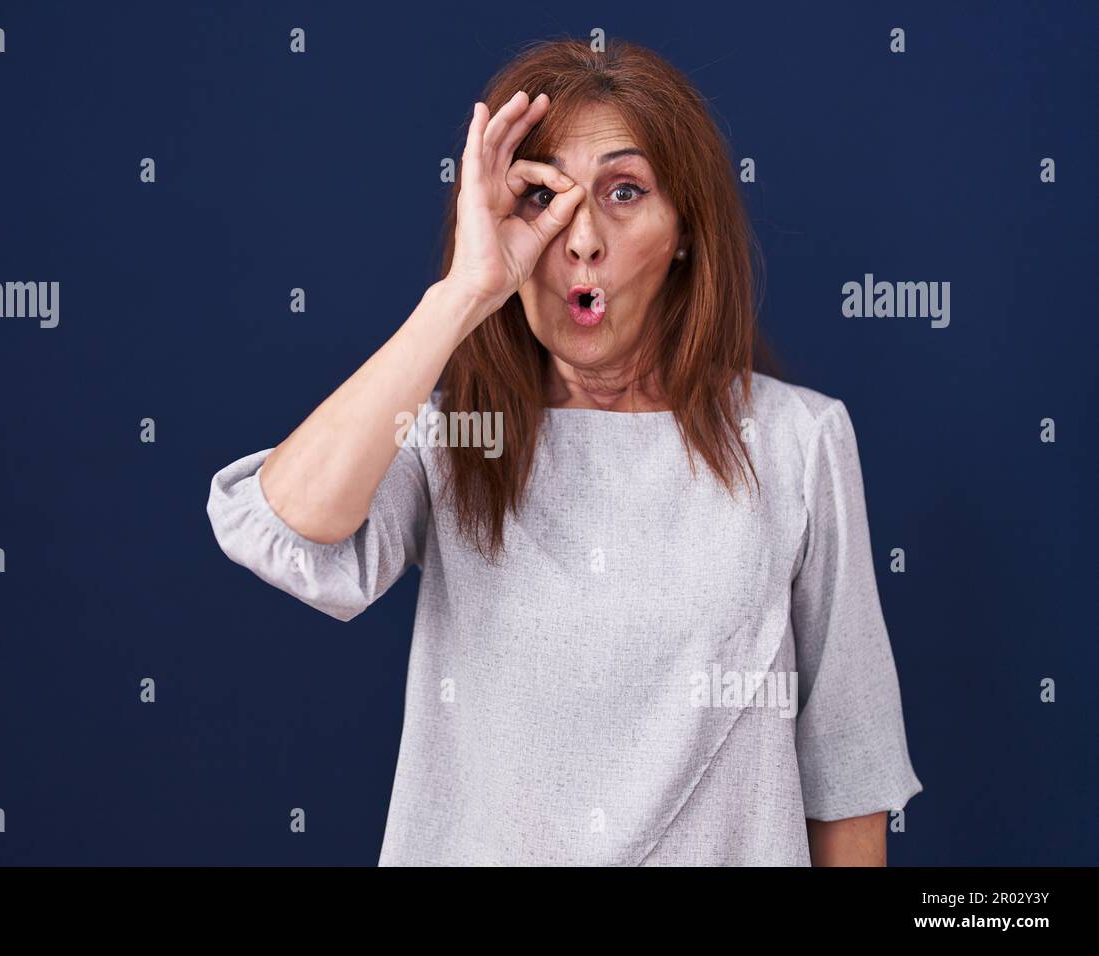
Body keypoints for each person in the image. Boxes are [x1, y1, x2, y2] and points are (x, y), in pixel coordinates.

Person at [206, 37, 922, 865]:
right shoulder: (454, 439)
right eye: (545, 197)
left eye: (625, 192)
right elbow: (286, 528)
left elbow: (850, 774)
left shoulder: (800, 443)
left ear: (684, 232)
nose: (581, 239)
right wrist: (463, 293)